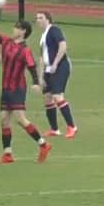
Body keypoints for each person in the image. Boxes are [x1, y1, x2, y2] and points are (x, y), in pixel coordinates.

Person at [0, 21, 50, 165]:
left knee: (20, 119)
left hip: (17, 88)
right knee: (4, 120)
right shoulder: (6, 42)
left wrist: (36, 82)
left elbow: (32, 67)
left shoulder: (25, 50)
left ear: (23, 32)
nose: (14, 29)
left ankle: (44, 145)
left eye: (17, 27)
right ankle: (8, 154)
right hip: (6, 87)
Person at [34, 11, 78, 139]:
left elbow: (63, 46)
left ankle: (72, 126)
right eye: (37, 18)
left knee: (57, 96)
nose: (38, 20)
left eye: (41, 17)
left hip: (60, 67)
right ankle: (54, 129)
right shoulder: (42, 37)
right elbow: (42, 57)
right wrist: (41, 76)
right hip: (48, 69)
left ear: (48, 19)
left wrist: (55, 64)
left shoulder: (54, 30)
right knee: (47, 97)